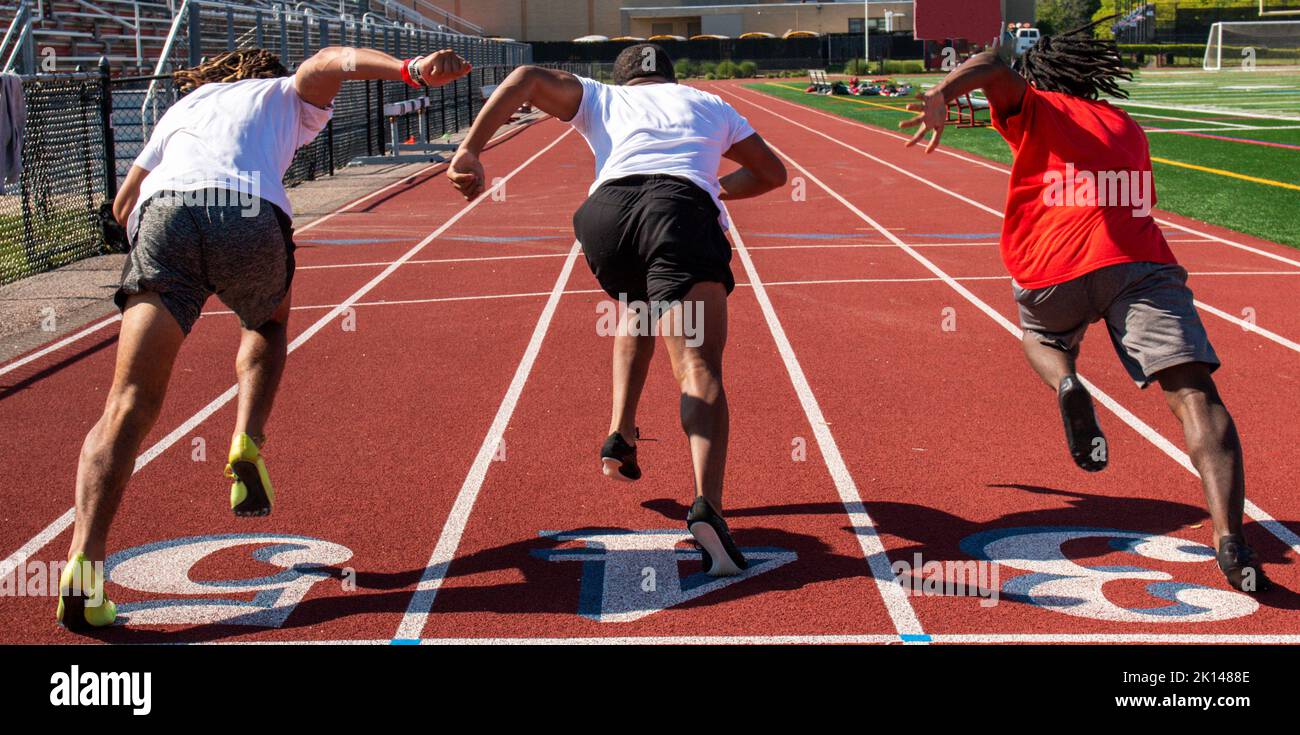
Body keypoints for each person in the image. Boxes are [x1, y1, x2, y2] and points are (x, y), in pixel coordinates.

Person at [58, 46, 472, 630]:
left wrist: (158, 270)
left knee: (127, 403)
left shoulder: (185, 106)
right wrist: (409, 70)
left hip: (165, 215)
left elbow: (124, 205)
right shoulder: (284, 95)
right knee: (267, 323)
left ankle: (84, 564)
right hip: (249, 211)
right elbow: (330, 60)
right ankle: (246, 439)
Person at [899, 19, 1268, 592]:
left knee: (1042, 337)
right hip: (1138, 266)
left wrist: (943, 93)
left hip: (1052, 267)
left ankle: (1068, 382)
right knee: (1196, 395)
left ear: (1040, 76)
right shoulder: (1127, 125)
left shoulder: (1037, 106)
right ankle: (1230, 537)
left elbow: (993, 67)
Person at [447, 45, 787, 576]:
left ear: (623, 78)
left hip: (605, 220)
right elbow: (771, 173)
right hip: (677, 215)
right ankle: (708, 509)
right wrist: (709, 188)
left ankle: (621, 432)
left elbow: (527, 78)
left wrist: (470, 150)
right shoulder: (710, 104)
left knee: (640, 310)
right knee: (697, 367)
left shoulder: (599, 97)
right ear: (672, 78)